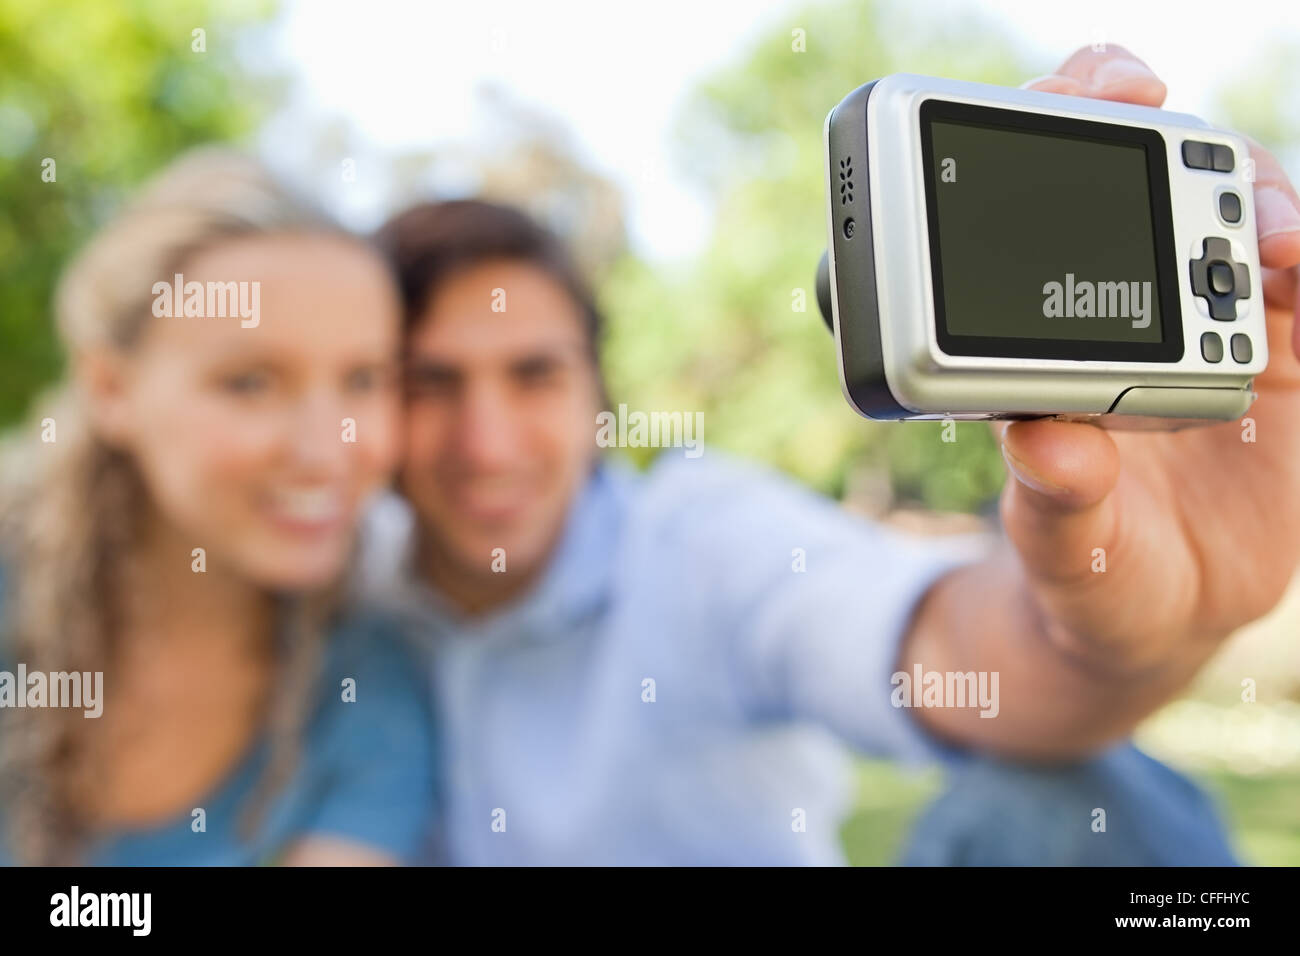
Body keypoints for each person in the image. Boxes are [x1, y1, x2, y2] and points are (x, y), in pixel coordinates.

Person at [364, 44, 1300, 866]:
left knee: (1074, 799)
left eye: (534, 376)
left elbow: (962, 652)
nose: (485, 444)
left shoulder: (703, 543)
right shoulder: (346, 577)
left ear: (595, 395)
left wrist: (1120, 640)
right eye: (430, 385)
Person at [0, 149, 436, 865]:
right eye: (250, 382)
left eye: (363, 379)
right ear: (111, 388)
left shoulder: (363, 684)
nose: (325, 451)